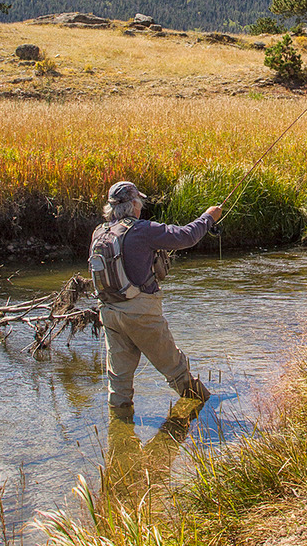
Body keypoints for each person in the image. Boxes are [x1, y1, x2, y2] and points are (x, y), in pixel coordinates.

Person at [92, 180, 222, 420]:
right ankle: (209, 418)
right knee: (176, 370)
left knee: (118, 380)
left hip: (109, 312)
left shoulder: (99, 232)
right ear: (133, 204)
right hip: (140, 313)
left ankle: (119, 436)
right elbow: (186, 236)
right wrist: (208, 217)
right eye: (139, 202)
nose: (140, 207)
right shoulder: (142, 229)